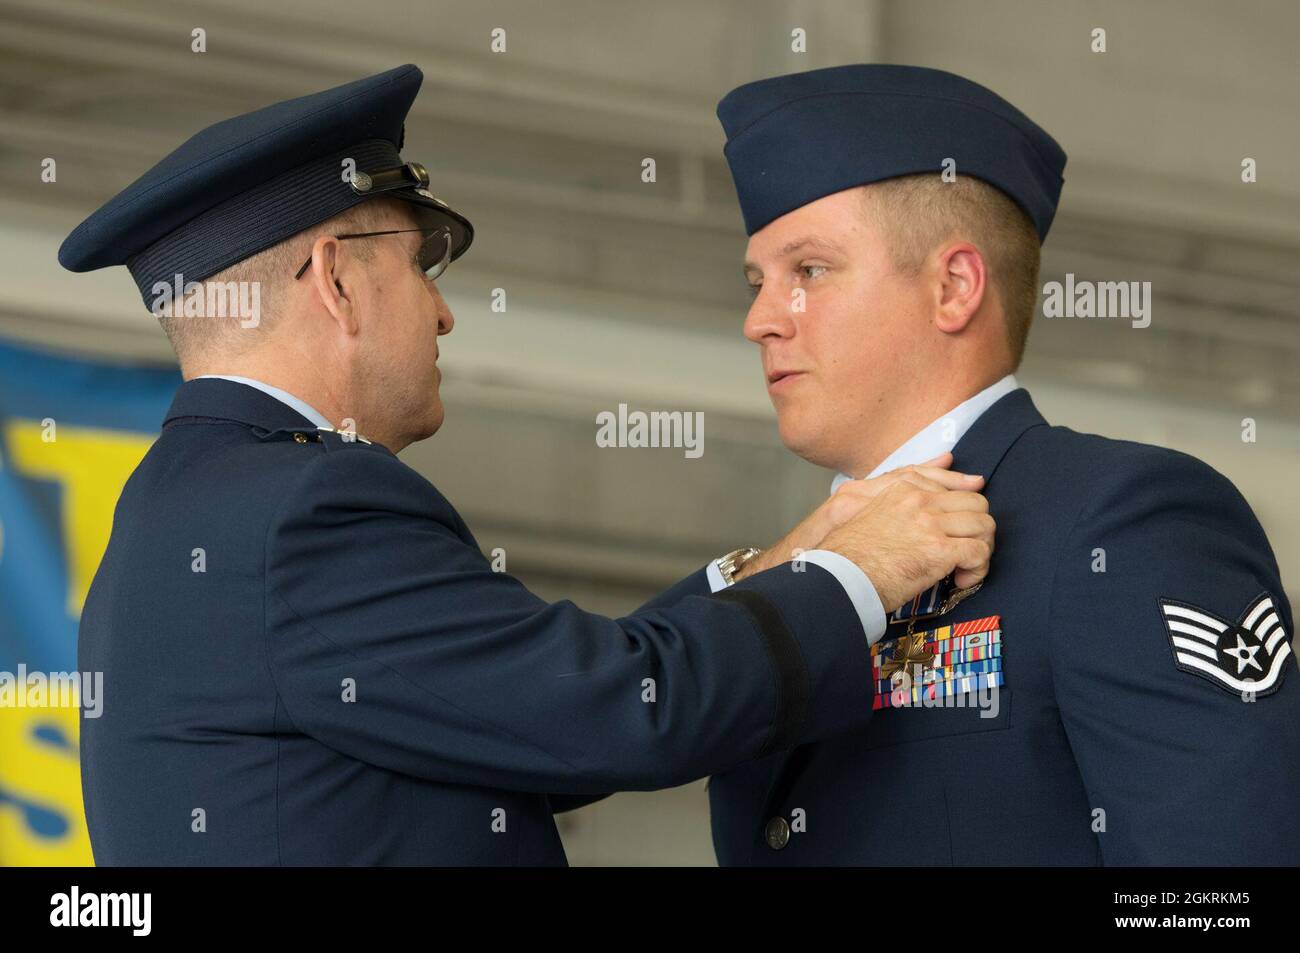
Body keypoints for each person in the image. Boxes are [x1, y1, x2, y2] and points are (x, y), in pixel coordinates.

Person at [57, 65, 995, 864]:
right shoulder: (305, 508)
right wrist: (860, 570)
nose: (443, 312)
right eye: (421, 264)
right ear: (338, 281)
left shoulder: (191, 509)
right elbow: (619, 713)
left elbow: (532, 709)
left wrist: (780, 565)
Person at [698, 64, 1299, 865]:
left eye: (808, 271)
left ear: (953, 288)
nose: (761, 319)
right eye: (757, 282)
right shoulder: (794, 578)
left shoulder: (1125, 521)